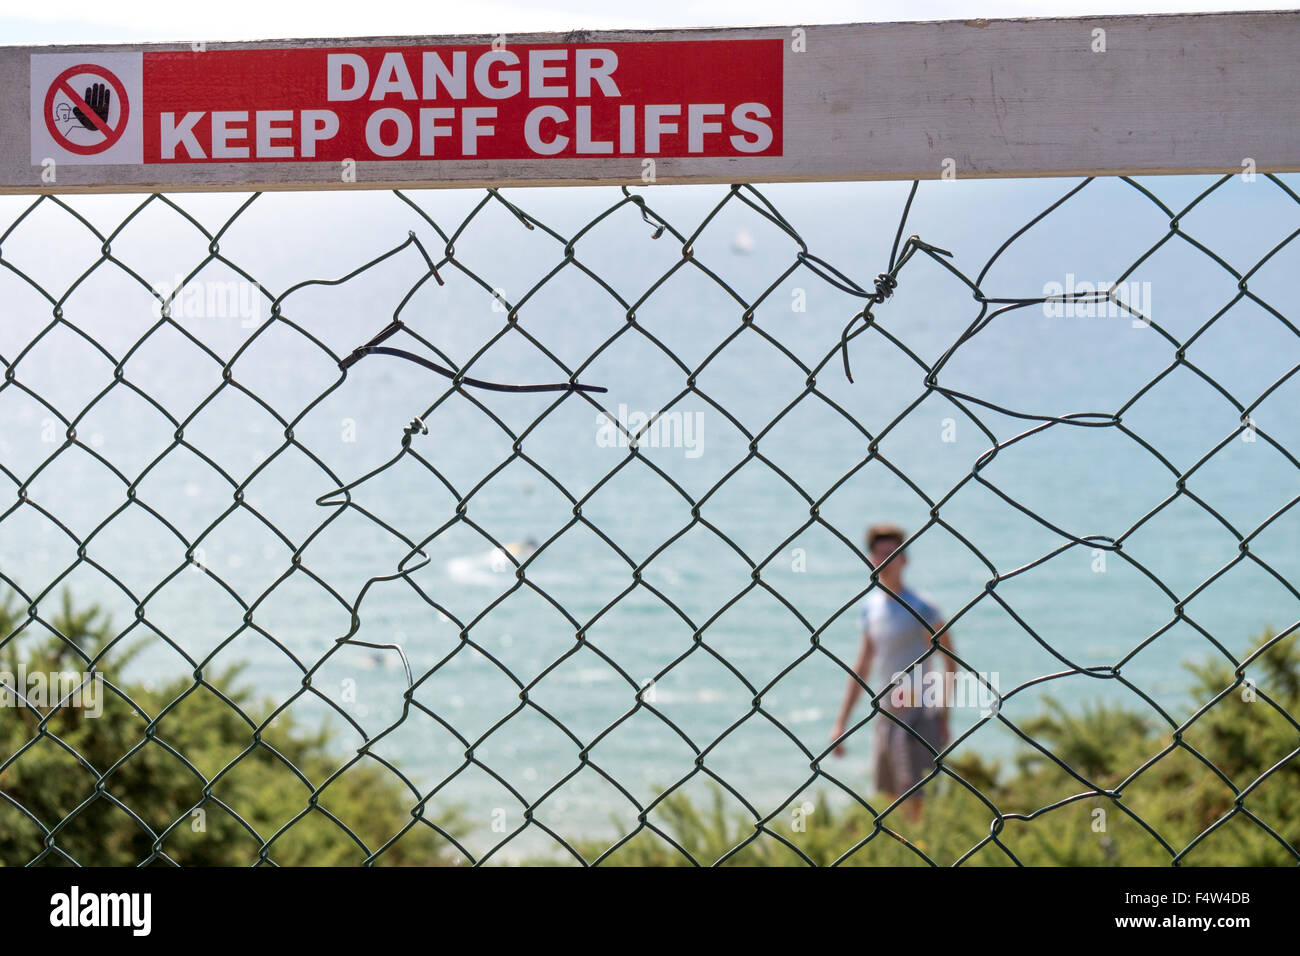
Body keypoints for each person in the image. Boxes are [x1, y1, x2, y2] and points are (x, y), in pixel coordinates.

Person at [831, 523, 955, 821]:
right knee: (888, 796)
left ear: (905, 559)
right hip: (885, 713)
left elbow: (949, 661)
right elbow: (862, 666)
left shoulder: (923, 608)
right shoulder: (870, 609)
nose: (886, 560)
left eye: (893, 553)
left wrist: (942, 715)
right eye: (880, 554)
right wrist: (841, 724)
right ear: (872, 560)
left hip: (917, 714)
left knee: (918, 800)